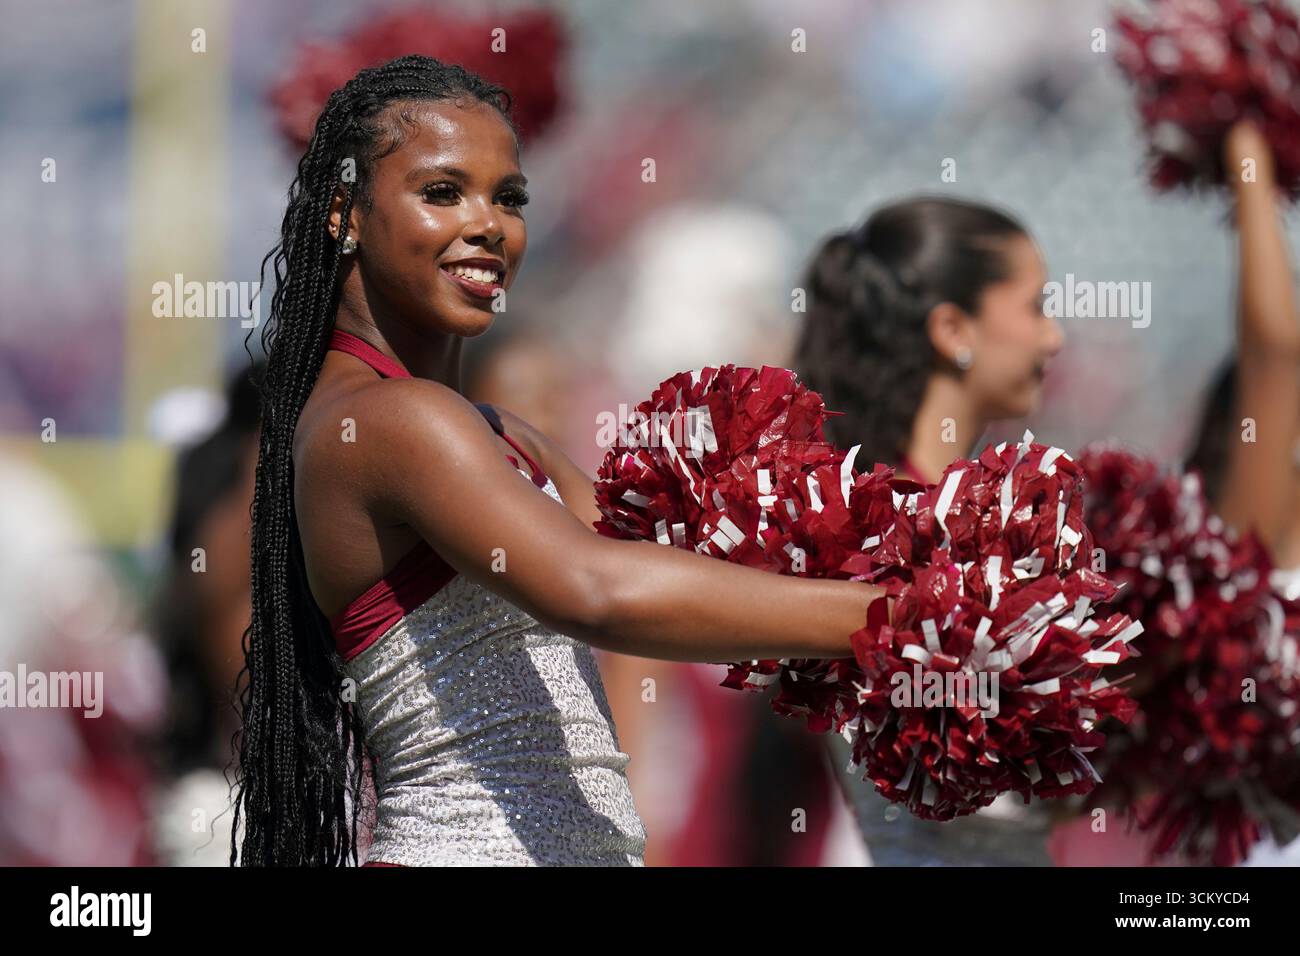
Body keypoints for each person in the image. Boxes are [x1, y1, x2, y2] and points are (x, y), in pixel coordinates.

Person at [229, 55, 891, 867]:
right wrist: (908, 616)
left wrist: (922, 552)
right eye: (442, 192)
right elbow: (595, 591)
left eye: (508, 198)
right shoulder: (391, 420)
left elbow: (673, 572)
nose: (488, 225)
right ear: (345, 214)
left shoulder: (494, 429)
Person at [792, 121, 1300, 866]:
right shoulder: (880, 536)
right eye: (1036, 306)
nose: (1055, 338)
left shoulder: (993, 521)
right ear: (953, 329)